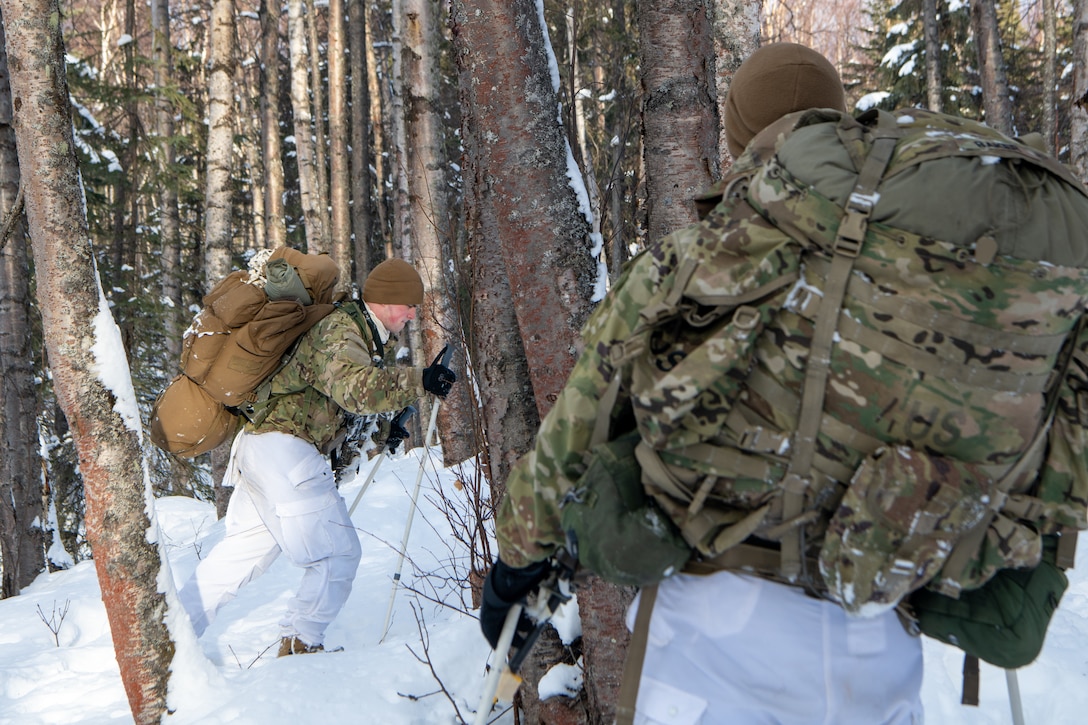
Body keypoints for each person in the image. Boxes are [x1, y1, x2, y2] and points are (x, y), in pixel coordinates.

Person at [479, 42, 1088, 723]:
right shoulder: (917, 260)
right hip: (879, 644)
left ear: (741, 144)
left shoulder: (725, 247)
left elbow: (583, 418)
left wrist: (514, 563)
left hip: (716, 644)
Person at [179, 257, 457, 657]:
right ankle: (301, 645)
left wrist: (385, 429)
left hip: (264, 449)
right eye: (407, 304)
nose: (413, 314)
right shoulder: (341, 330)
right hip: (284, 451)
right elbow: (353, 388)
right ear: (383, 299)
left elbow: (333, 402)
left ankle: (171, 637)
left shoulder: (359, 333)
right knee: (338, 554)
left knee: (243, 555)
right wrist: (420, 380)